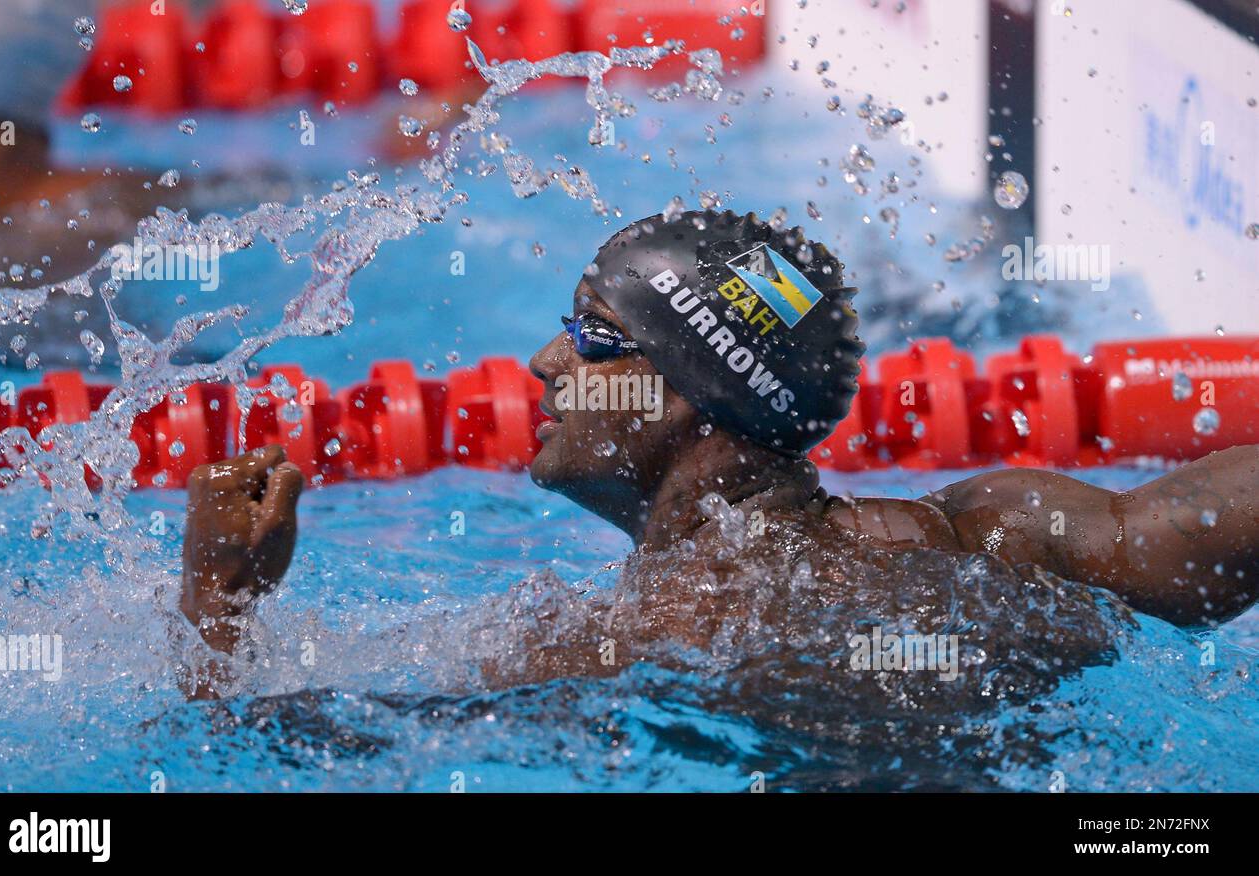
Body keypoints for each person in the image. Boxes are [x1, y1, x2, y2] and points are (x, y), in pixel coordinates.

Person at [179, 209, 1257, 699]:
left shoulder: (617, 652)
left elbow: (234, 757)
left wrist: (216, 602)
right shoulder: (1004, 531)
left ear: (695, 394)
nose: (548, 360)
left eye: (596, 333)